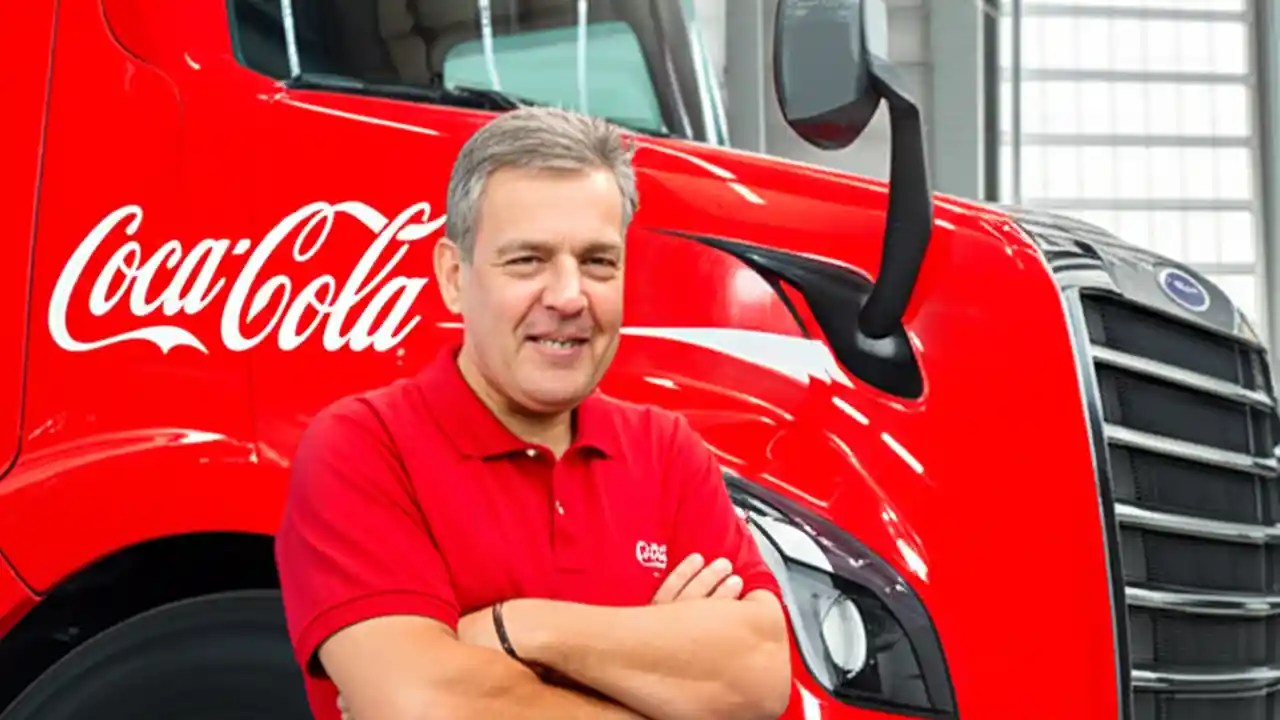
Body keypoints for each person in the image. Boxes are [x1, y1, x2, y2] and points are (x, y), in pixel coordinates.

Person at [274, 106, 793, 720]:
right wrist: (651, 672)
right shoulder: (362, 447)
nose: (570, 297)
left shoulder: (666, 449)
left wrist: (519, 628)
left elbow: (759, 679)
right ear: (453, 276)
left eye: (599, 261)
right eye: (527, 261)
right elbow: (421, 705)